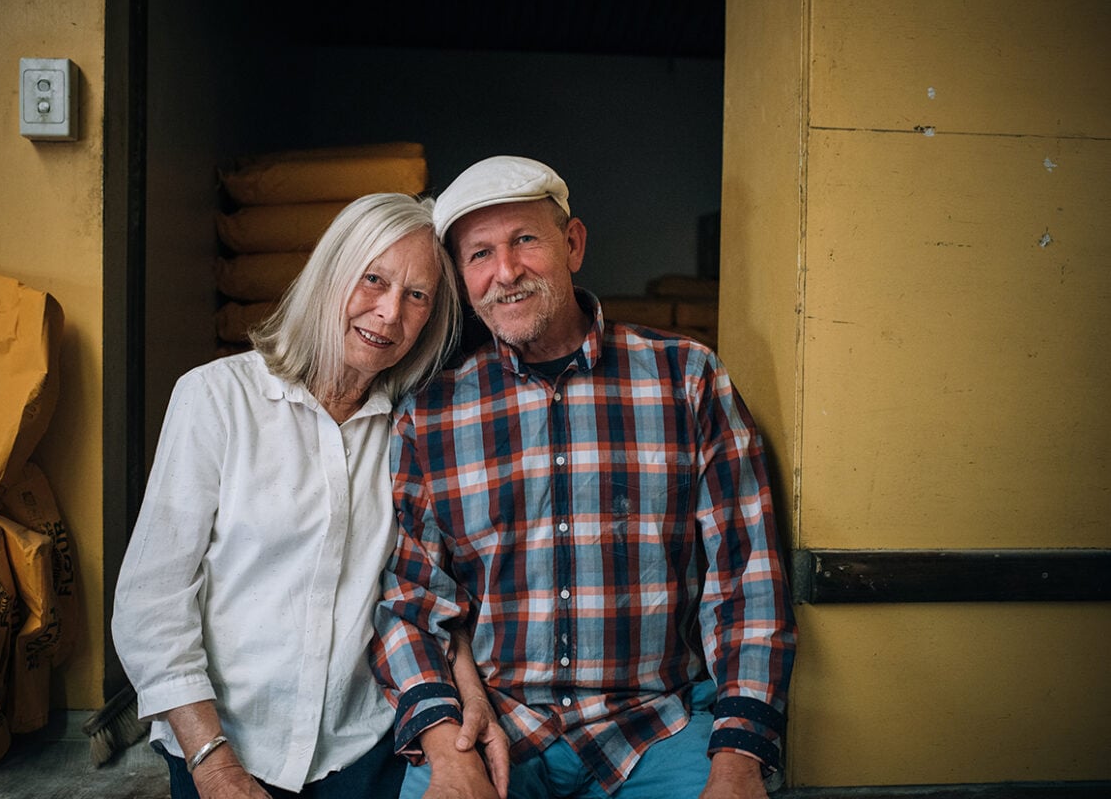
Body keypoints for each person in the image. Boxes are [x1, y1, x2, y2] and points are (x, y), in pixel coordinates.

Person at [371, 157, 798, 799]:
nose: (506, 272)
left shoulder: (687, 380)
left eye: (525, 241)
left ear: (572, 245)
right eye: (480, 254)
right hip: (496, 730)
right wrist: (445, 751)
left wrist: (739, 758)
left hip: (659, 727)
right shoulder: (429, 415)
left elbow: (748, 583)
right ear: (461, 278)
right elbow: (409, 602)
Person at [112, 193, 507, 799]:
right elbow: (152, 604)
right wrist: (215, 767)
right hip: (222, 747)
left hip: (365, 749)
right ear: (330, 274)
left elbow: (428, 585)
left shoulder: (414, 429)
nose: (388, 312)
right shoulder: (216, 399)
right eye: (372, 280)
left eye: (417, 295)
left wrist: (466, 685)